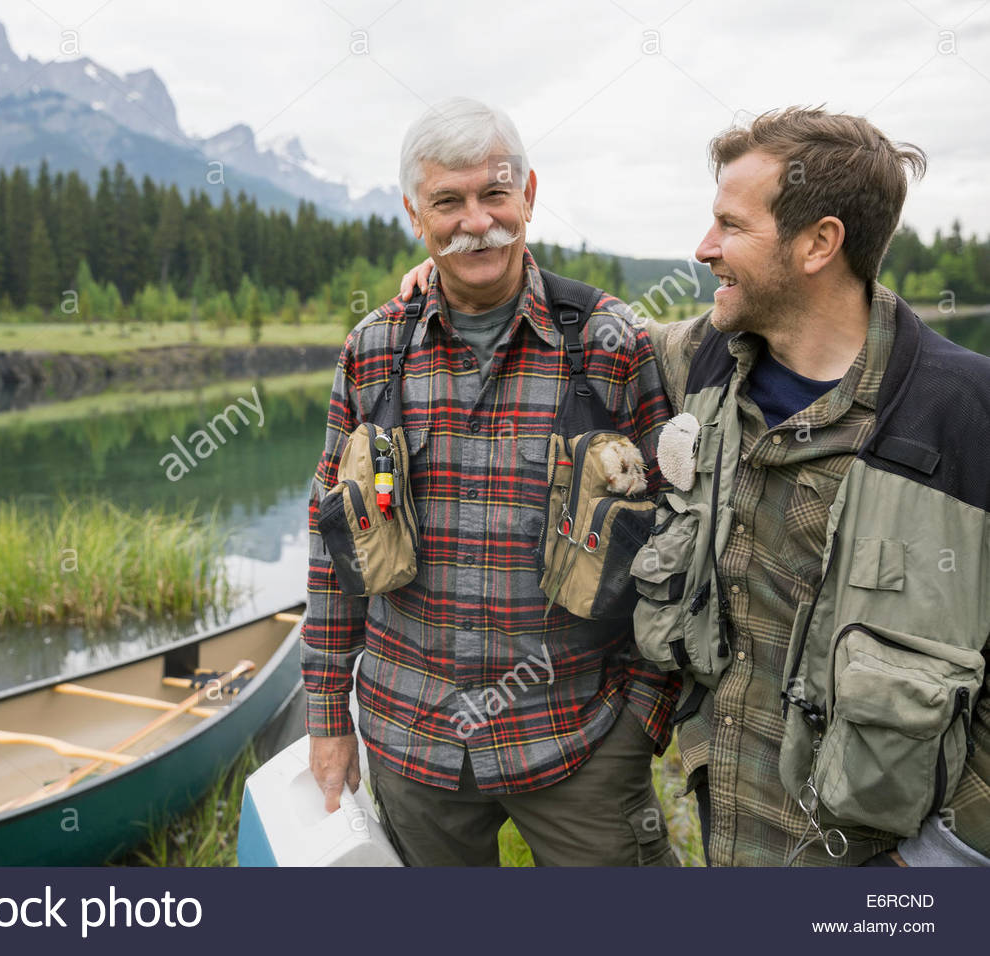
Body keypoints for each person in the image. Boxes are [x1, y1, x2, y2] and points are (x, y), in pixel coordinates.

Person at [400, 106, 990, 867]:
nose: (704, 249)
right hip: (734, 838)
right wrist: (452, 272)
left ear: (819, 243)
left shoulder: (965, 418)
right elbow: (569, 328)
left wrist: (948, 851)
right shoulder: (696, 362)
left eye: (730, 227)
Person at [303, 97, 679, 867]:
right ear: (416, 214)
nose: (477, 221)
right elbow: (329, 538)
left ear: (529, 195)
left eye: (494, 194)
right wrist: (327, 719)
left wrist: (645, 713)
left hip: (580, 737)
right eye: (449, 201)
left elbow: (677, 542)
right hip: (412, 745)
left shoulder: (612, 342)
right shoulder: (373, 349)